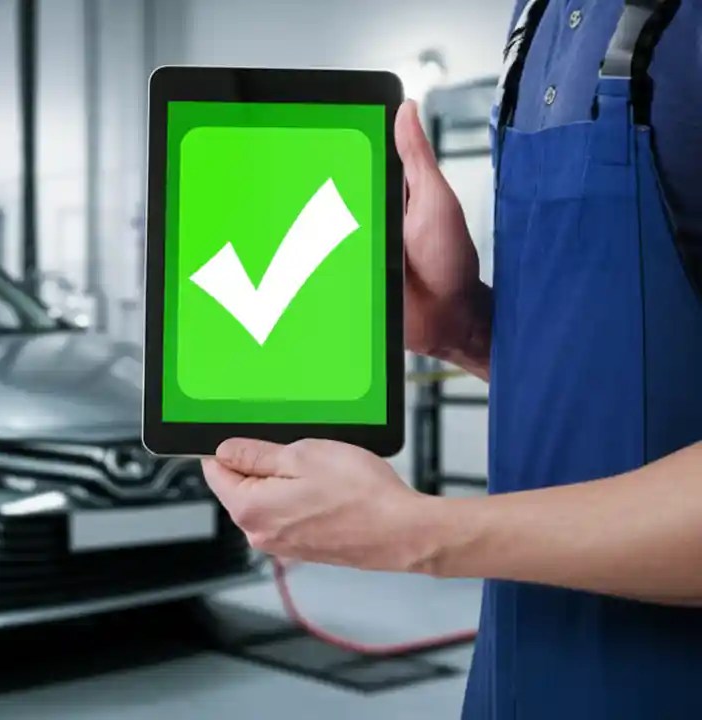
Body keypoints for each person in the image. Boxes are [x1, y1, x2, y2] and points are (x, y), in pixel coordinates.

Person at [200, 1, 702, 717]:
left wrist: (420, 533)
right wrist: (461, 327)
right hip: (518, 680)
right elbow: (639, 382)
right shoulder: (536, 19)